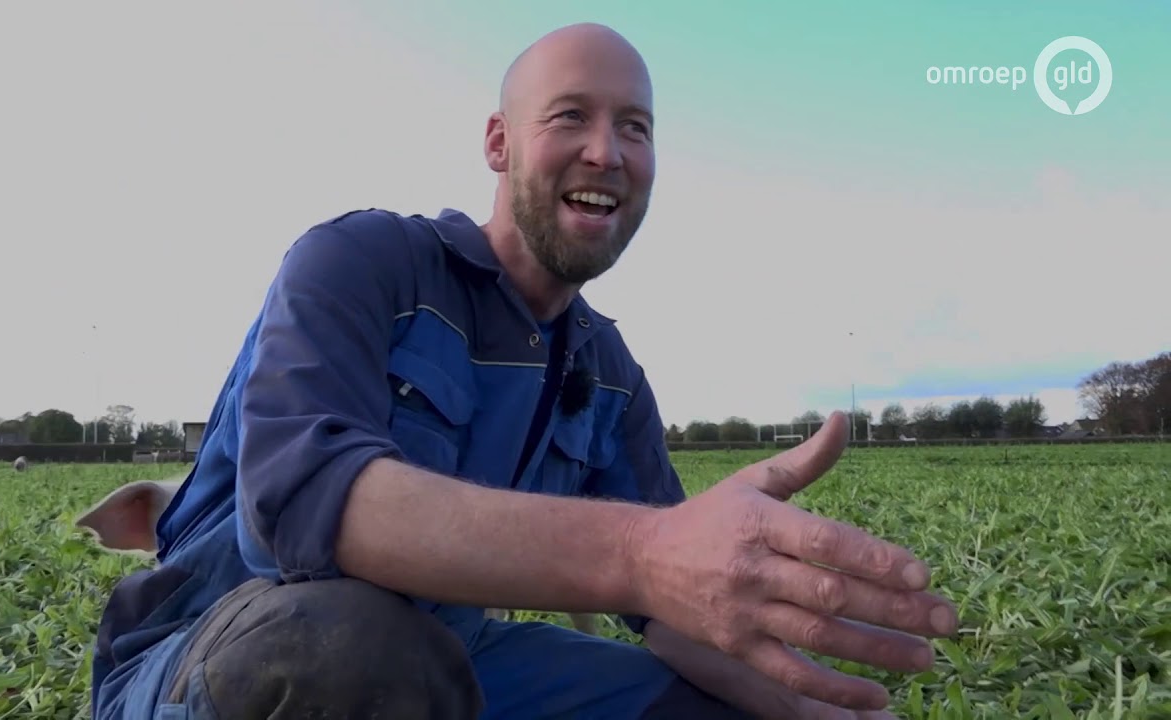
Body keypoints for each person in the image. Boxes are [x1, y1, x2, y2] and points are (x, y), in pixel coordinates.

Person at [87, 22, 958, 720]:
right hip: (218, 658)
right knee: (353, 647)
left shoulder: (608, 373)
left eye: (635, 127)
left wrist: (801, 699)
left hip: (459, 667)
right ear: (500, 143)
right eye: (570, 116)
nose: (606, 151)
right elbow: (299, 507)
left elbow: (673, 611)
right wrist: (645, 554)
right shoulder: (361, 263)